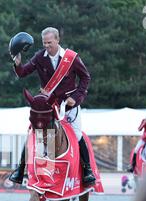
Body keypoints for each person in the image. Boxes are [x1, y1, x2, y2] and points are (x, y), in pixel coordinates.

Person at [9, 27, 95, 186]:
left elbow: (85, 78)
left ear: (57, 40)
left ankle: (87, 170)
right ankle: (20, 170)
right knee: (34, 133)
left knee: (76, 135)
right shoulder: (40, 57)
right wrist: (18, 63)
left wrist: (76, 98)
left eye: (49, 43)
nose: (47, 46)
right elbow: (23, 73)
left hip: (68, 105)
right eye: (44, 43)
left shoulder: (72, 58)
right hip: (48, 104)